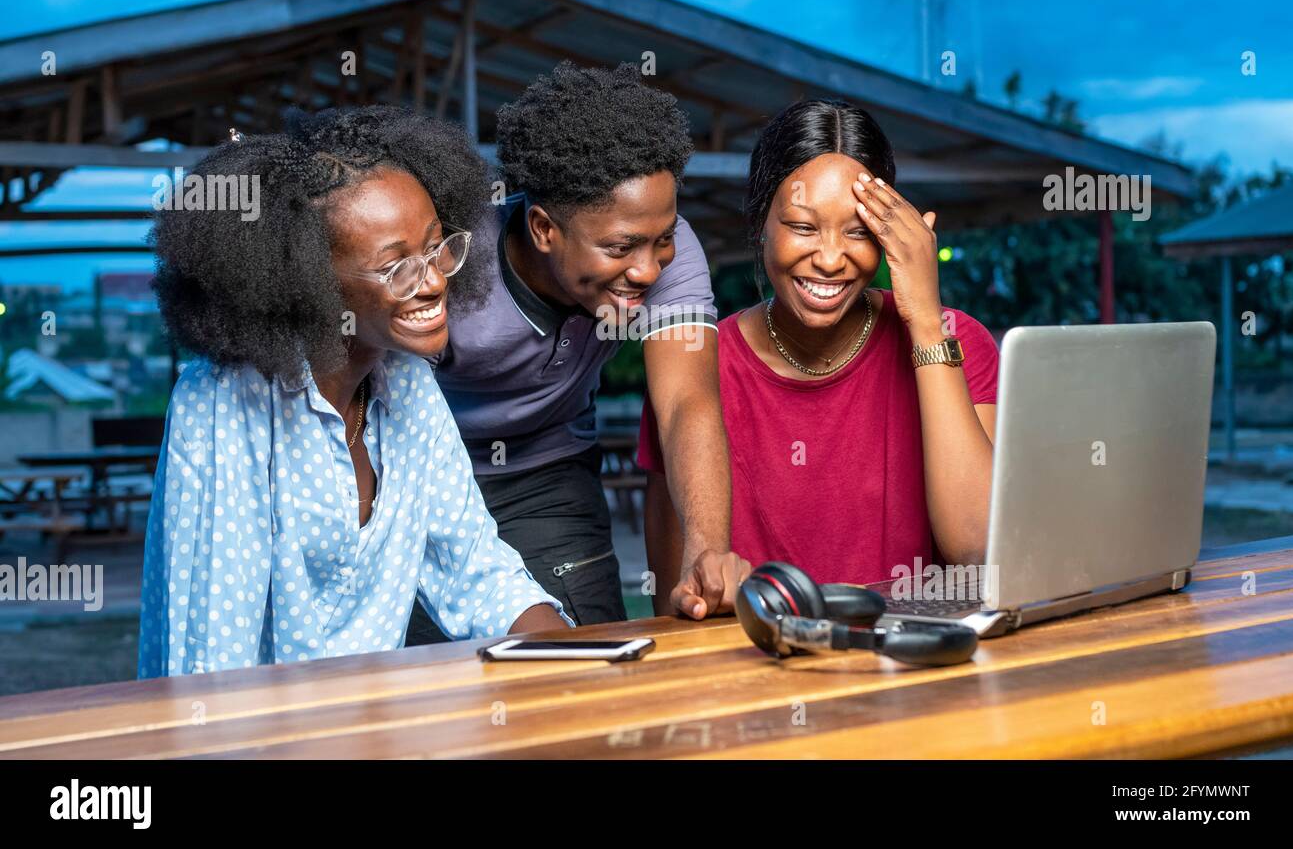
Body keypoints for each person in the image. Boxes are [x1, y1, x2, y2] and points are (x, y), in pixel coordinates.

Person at [138, 106, 569, 679]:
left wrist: (578, 656)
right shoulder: (223, 403)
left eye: (437, 247)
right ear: (308, 283)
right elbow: (215, 655)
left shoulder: (408, 382)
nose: (435, 280)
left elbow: (472, 568)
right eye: (394, 267)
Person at [418, 61, 748, 632]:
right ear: (545, 229)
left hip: (549, 478)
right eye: (621, 247)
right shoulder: (452, 262)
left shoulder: (672, 251)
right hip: (424, 478)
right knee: (435, 678)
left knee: (596, 662)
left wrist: (706, 553)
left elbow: (686, 404)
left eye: (662, 238)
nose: (648, 269)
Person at [638, 98, 999, 588]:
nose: (830, 259)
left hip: (911, 652)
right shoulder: (696, 365)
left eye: (858, 231)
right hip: (754, 654)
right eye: (803, 227)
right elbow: (678, 599)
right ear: (760, 225)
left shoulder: (955, 340)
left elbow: (976, 549)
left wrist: (925, 321)